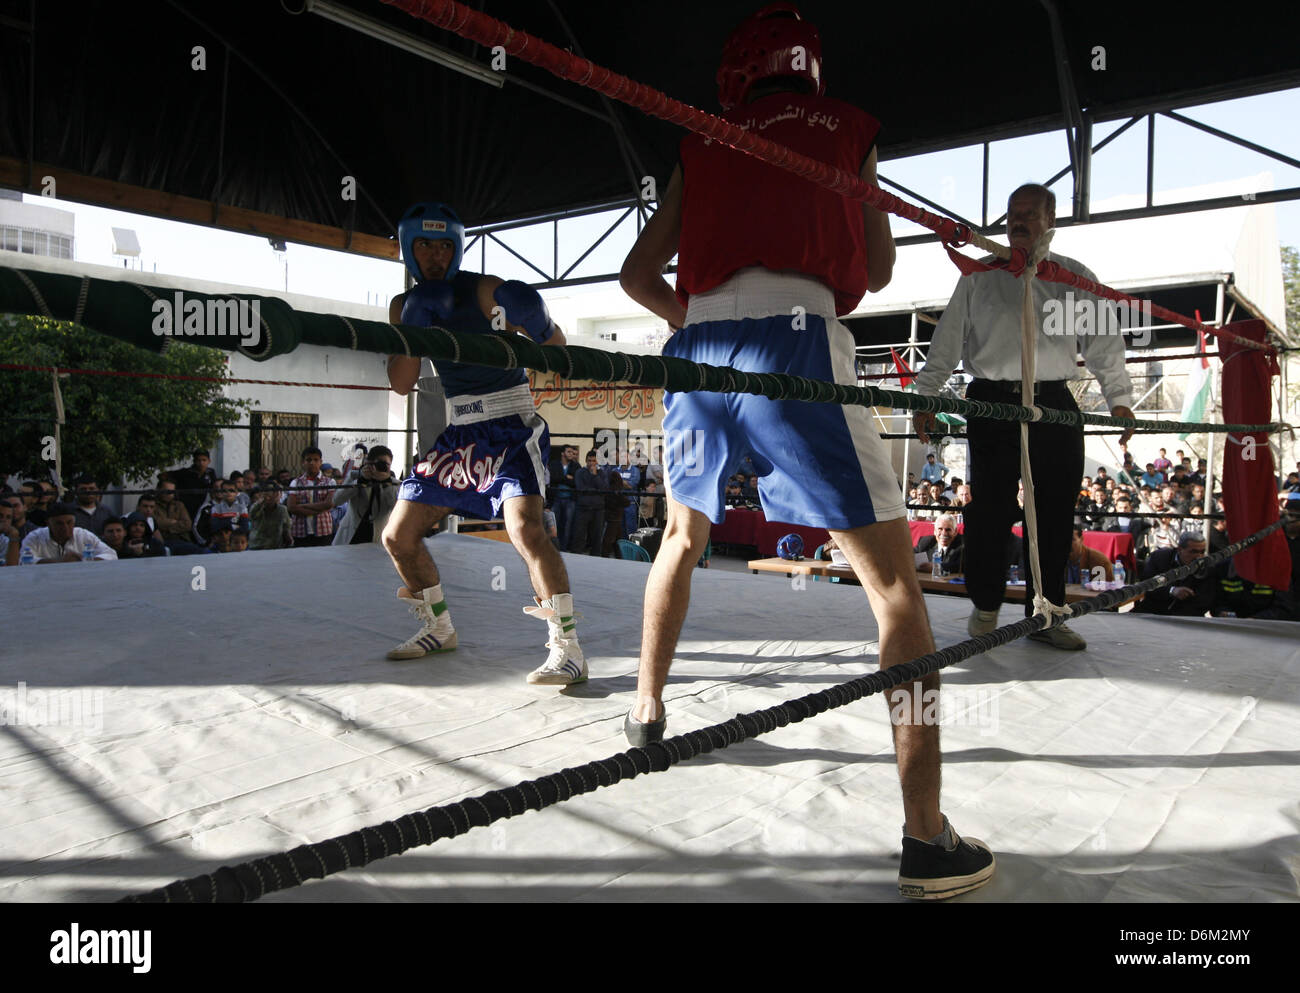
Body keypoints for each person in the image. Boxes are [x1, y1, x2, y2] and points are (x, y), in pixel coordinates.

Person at [618, 3, 991, 899]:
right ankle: (925, 838)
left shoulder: (699, 137)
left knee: (682, 538)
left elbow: (636, 274)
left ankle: (644, 712)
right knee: (899, 594)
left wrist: (703, 320)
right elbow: (882, 267)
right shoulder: (851, 128)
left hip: (700, 350)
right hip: (797, 338)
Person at [914, 183, 1136, 651]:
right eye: (1013, 213)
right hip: (991, 402)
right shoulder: (978, 276)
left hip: (1053, 401)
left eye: (1031, 214)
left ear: (1050, 220)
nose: (1019, 222)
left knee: (1054, 510)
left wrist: (1119, 399)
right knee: (991, 506)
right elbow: (947, 341)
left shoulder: (1073, 278)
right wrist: (927, 395)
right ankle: (986, 605)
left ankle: (1048, 611)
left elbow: (1104, 346)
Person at [383, 201, 588, 685]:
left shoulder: (485, 291)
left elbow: (557, 354)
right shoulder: (401, 305)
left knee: (526, 530)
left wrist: (537, 321)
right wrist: (414, 325)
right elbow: (399, 382)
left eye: (444, 246)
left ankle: (569, 649)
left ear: (457, 249)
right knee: (398, 535)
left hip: (509, 421)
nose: (435, 256)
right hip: (459, 433)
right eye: (425, 246)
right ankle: (438, 627)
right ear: (409, 251)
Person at [332, 445, 399, 546]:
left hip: (377, 537)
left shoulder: (395, 483)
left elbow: (396, 508)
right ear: (368, 463)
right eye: (378, 464)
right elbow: (337, 500)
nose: (381, 467)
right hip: (352, 534)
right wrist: (361, 481)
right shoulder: (355, 476)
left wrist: (386, 484)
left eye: (385, 464)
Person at [1134, 532, 1214, 616]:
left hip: (1186, 617)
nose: (1199, 556)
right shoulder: (1160, 558)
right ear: (1179, 550)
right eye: (1193, 552)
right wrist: (1171, 591)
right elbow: (1146, 585)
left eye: (1202, 552)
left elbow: (1206, 600)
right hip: (1153, 611)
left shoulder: (1207, 567)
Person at [19, 502, 116, 562]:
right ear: (48, 523)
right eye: (59, 524)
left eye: (69, 523)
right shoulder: (35, 537)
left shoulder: (83, 535)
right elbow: (23, 561)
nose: (65, 527)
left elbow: (111, 555)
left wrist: (85, 559)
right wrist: (57, 562)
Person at [287, 447, 336, 547]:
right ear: (303, 462)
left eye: (316, 460)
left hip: (323, 530)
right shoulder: (295, 482)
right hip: (300, 531)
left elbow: (329, 503)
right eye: (309, 460)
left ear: (320, 462)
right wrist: (320, 509)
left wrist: (302, 506)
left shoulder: (330, 482)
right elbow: (291, 507)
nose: (312, 463)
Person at [572, 449, 609, 556]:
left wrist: (594, 476)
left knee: (597, 536)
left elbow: (604, 489)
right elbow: (580, 489)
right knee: (579, 534)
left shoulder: (601, 473)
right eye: (589, 461)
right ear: (586, 461)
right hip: (583, 508)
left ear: (597, 461)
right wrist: (596, 490)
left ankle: (596, 556)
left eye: (593, 461)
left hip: (598, 509)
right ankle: (576, 555)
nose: (591, 463)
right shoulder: (580, 472)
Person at [249, 482, 293, 549]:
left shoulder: (282, 509)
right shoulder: (256, 506)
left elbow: (286, 529)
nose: (271, 495)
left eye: (273, 493)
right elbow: (253, 515)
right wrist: (264, 500)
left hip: (275, 546)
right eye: (267, 492)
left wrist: (289, 542)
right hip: (257, 546)